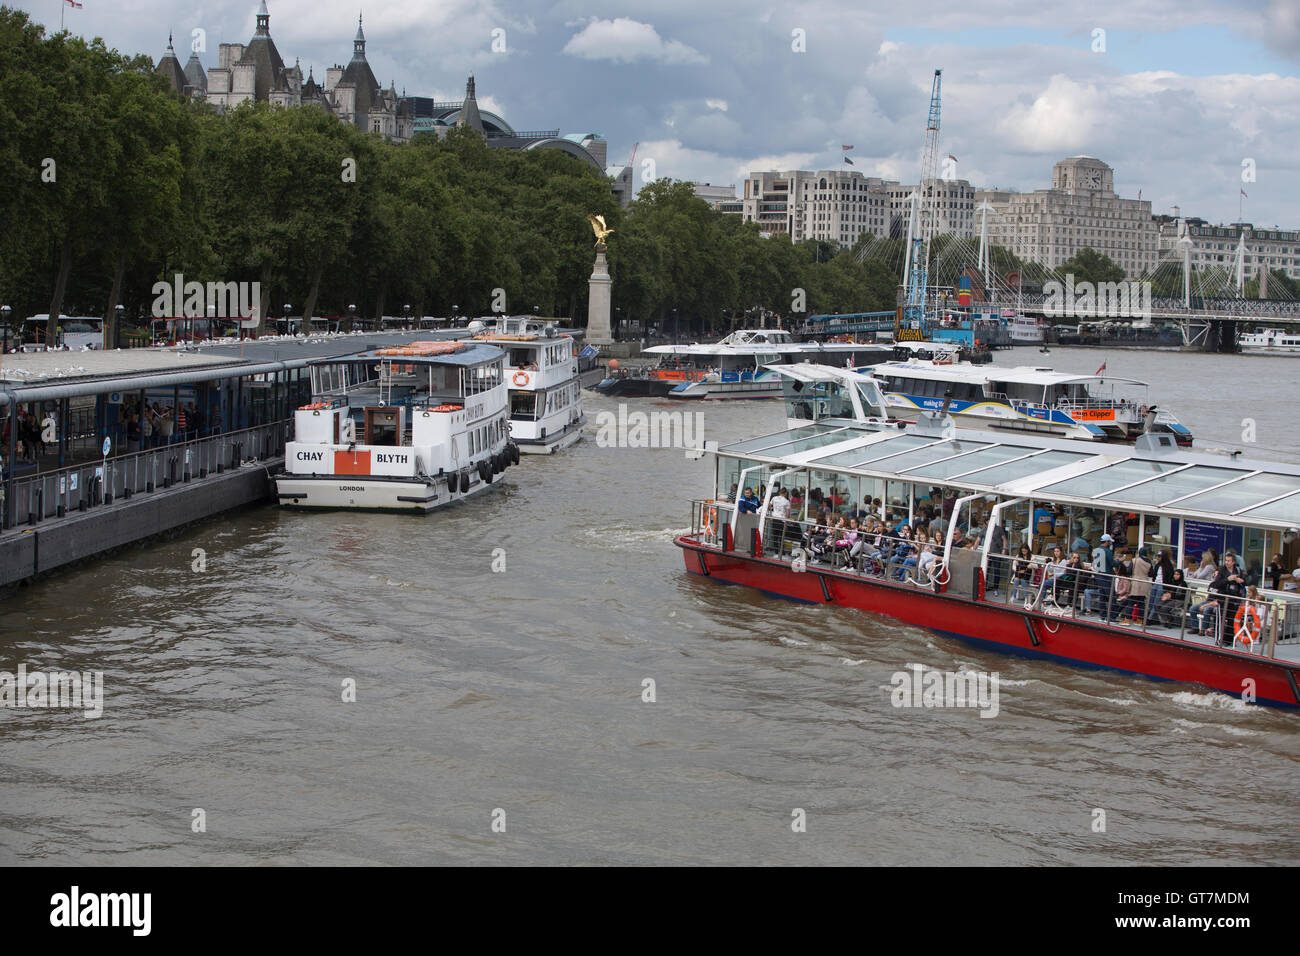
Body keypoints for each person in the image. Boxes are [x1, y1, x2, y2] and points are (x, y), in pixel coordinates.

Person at [769, 486, 791, 554]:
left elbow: (769, 506)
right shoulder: (787, 501)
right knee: (781, 537)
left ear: (779, 492)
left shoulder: (774, 498)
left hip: (775, 518)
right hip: (782, 520)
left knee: (775, 536)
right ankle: (781, 551)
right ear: (785, 493)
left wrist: (772, 511)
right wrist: (787, 521)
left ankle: (776, 551)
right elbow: (787, 514)